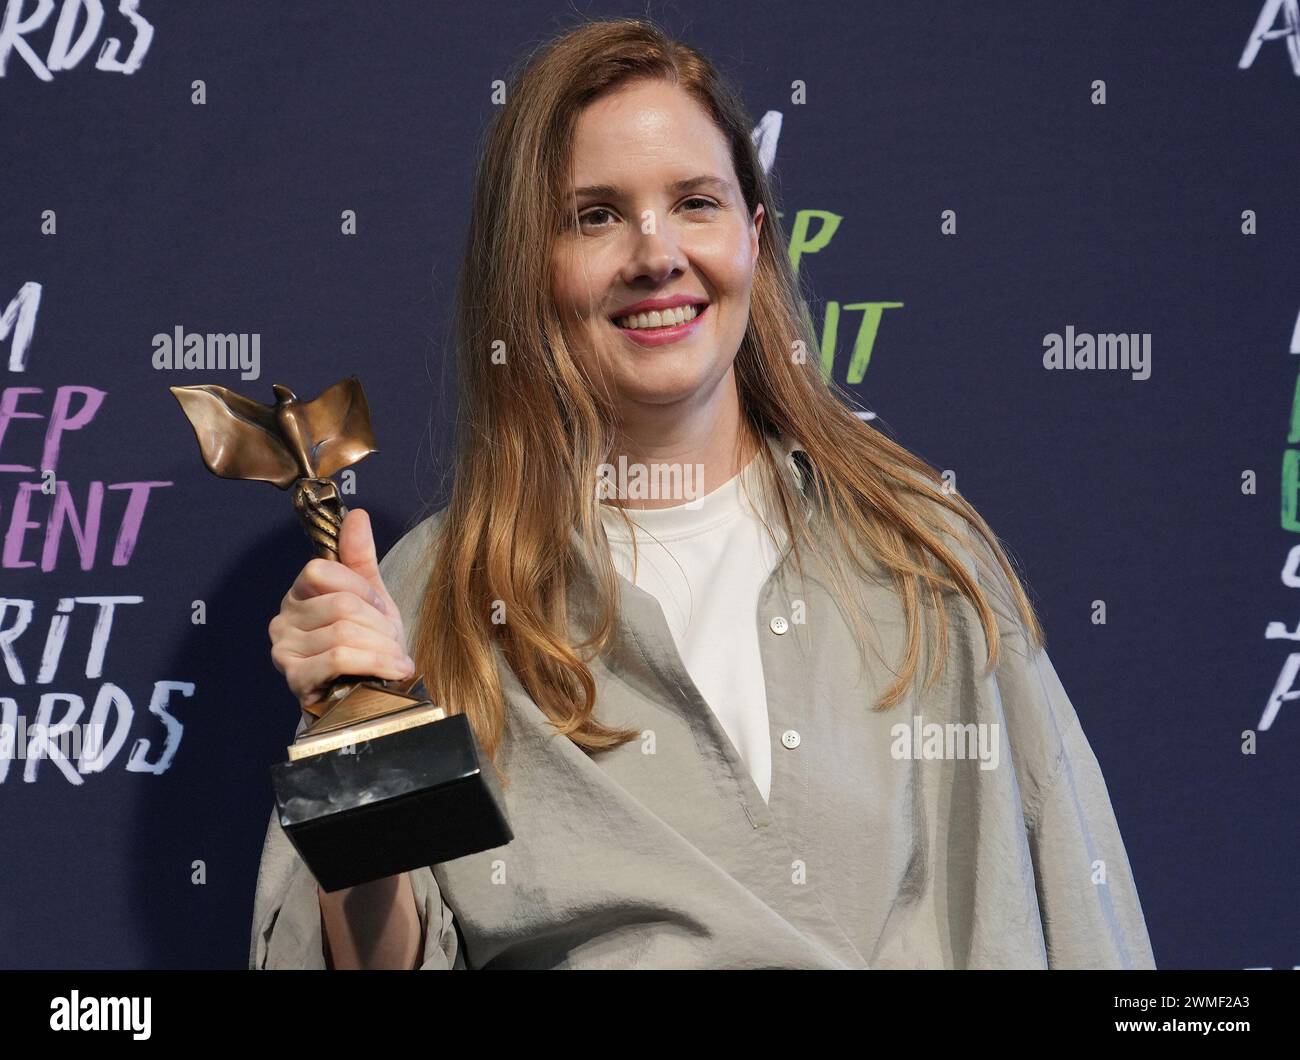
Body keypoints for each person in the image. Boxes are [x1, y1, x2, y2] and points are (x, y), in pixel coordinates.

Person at [250, 18, 1156, 970]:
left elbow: (1076, 909)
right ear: (530, 266)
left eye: (695, 203)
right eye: (595, 215)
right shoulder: (431, 595)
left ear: (754, 239)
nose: (655, 254)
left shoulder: (922, 552)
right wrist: (356, 741)